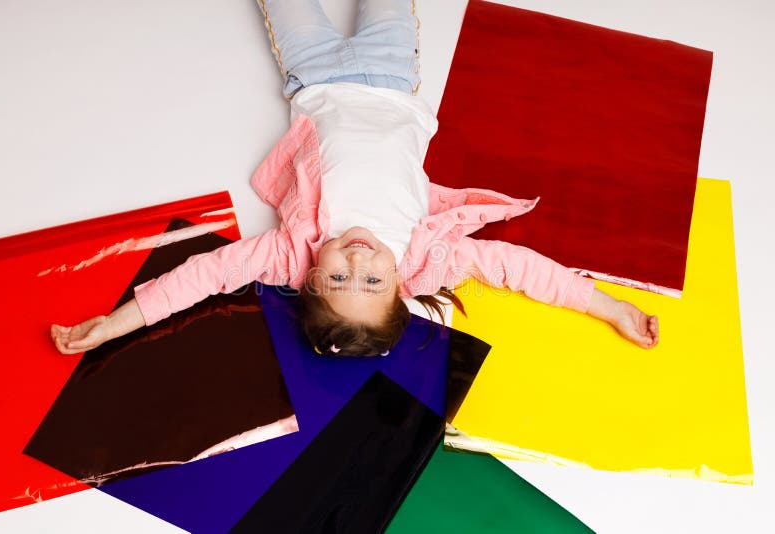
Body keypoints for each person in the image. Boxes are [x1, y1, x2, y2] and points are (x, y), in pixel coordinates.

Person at [51, 0, 659, 357]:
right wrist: (607, 307)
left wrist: (118, 322)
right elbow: (520, 270)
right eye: (372, 280)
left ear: (312, 278)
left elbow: (205, 277)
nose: (360, 261)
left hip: (312, 77)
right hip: (394, 76)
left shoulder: (288, 252)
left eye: (341, 277)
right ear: (399, 284)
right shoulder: (429, 254)